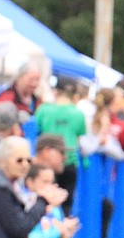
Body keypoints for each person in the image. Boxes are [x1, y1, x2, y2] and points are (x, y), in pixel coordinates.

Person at [32, 79, 86, 211]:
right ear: (74, 95)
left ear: (56, 91)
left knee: (44, 200)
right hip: (69, 161)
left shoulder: (43, 110)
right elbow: (81, 138)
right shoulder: (78, 114)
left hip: (45, 160)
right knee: (66, 205)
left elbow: (35, 130)